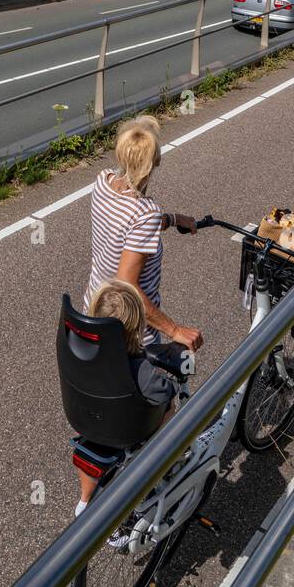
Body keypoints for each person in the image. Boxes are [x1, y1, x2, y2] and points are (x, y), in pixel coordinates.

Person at [85, 113, 203, 353]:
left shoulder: (102, 181)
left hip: (95, 307)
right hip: (130, 331)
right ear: (154, 162)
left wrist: (171, 219)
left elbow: (123, 221)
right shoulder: (145, 214)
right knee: (154, 388)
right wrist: (174, 330)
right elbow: (126, 284)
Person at [74, 278, 187, 516]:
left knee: (88, 452)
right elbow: (162, 393)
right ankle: (162, 458)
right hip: (127, 428)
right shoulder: (141, 371)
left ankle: (84, 502)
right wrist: (173, 386)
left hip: (88, 418)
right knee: (169, 405)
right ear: (137, 327)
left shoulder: (81, 355)